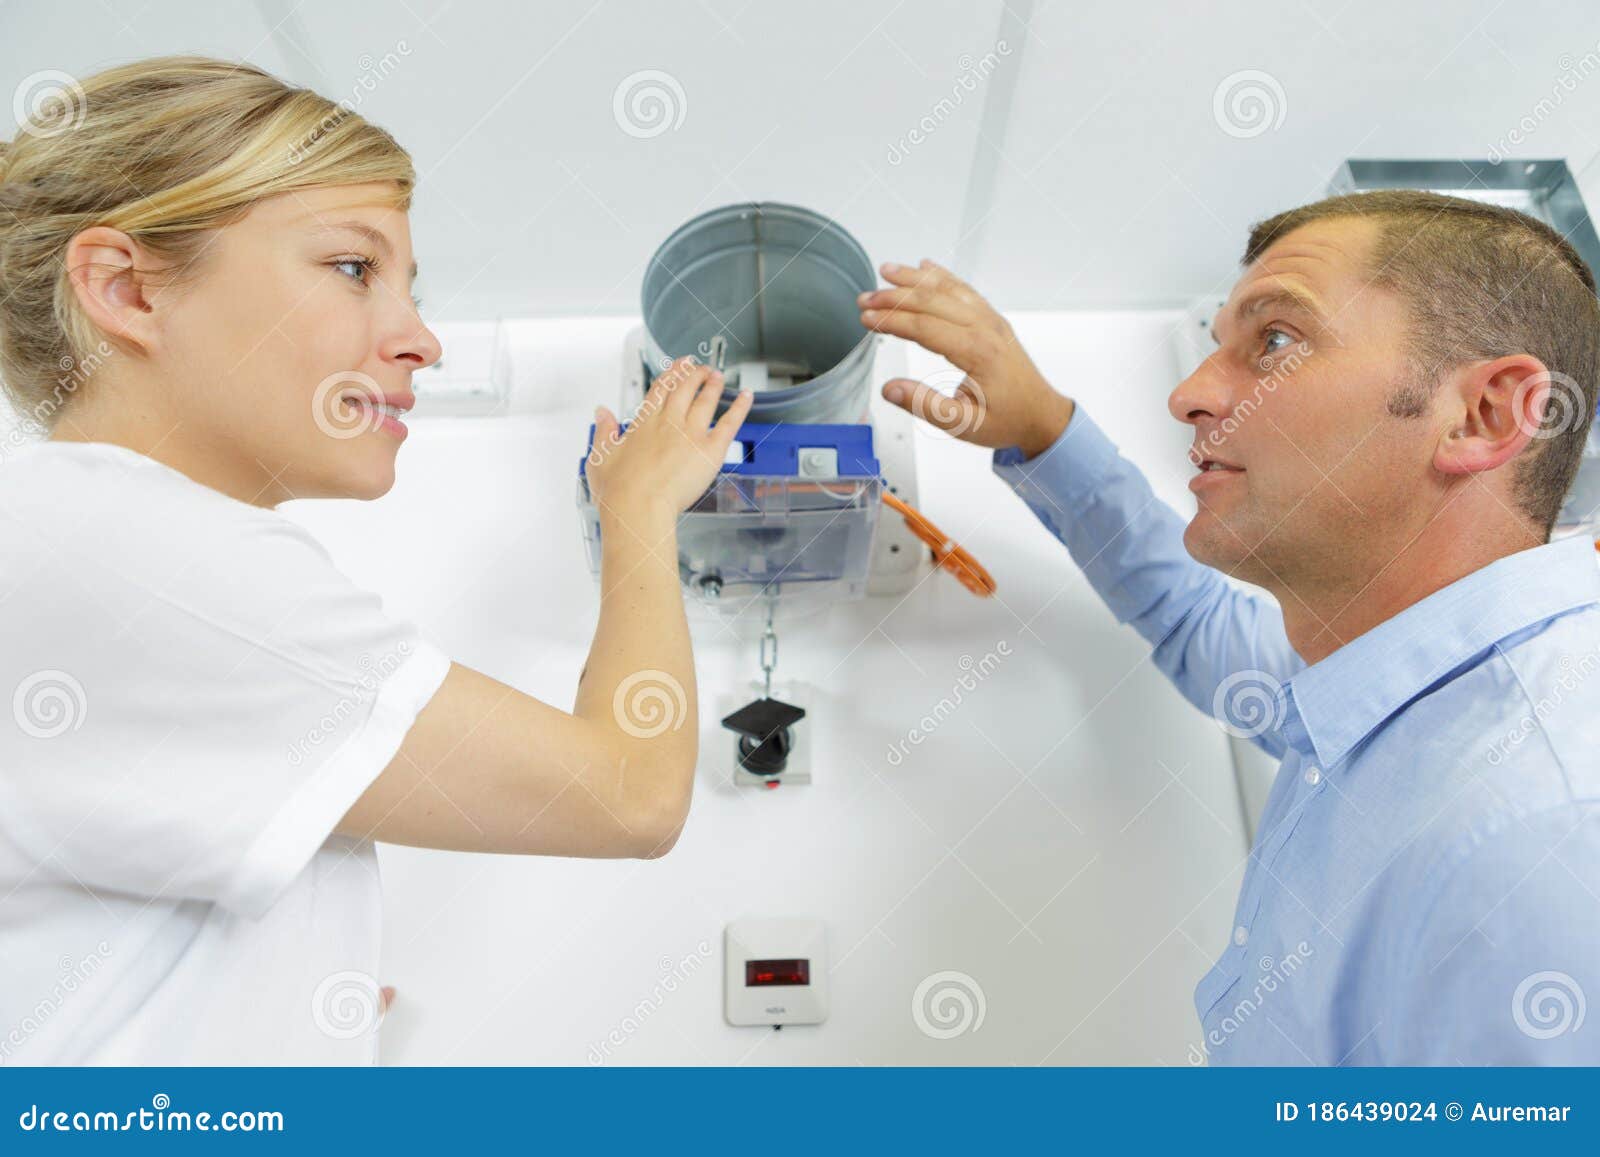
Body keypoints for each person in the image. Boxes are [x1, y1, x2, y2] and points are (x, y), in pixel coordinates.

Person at [0, 56, 751, 1064]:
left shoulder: (71, 542)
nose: (422, 340)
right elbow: (631, 791)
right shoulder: (142, 552)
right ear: (127, 289)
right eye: (354, 268)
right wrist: (643, 507)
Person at [863, 192, 1600, 1064]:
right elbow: (1192, 619)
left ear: (1482, 416)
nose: (1189, 394)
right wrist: (1042, 429)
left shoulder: (1546, 828)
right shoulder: (1383, 689)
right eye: (1216, 346)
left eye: (1276, 340)